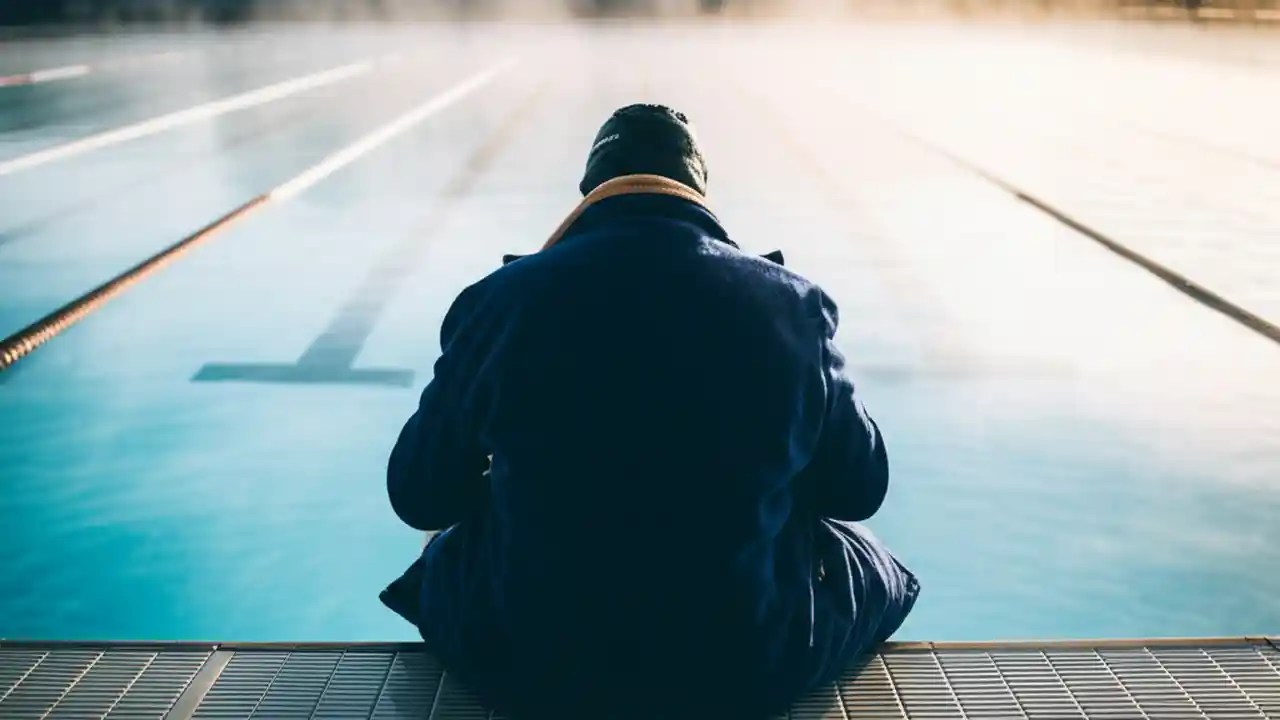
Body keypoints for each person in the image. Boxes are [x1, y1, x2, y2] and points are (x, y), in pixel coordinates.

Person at [382, 104, 919, 719]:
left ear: (590, 193)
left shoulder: (500, 301)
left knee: (443, 539)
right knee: (866, 552)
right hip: (747, 659)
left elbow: (419, 496)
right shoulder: (792, 302)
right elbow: (859, 491)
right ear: (697, 192)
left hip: (529, 658)